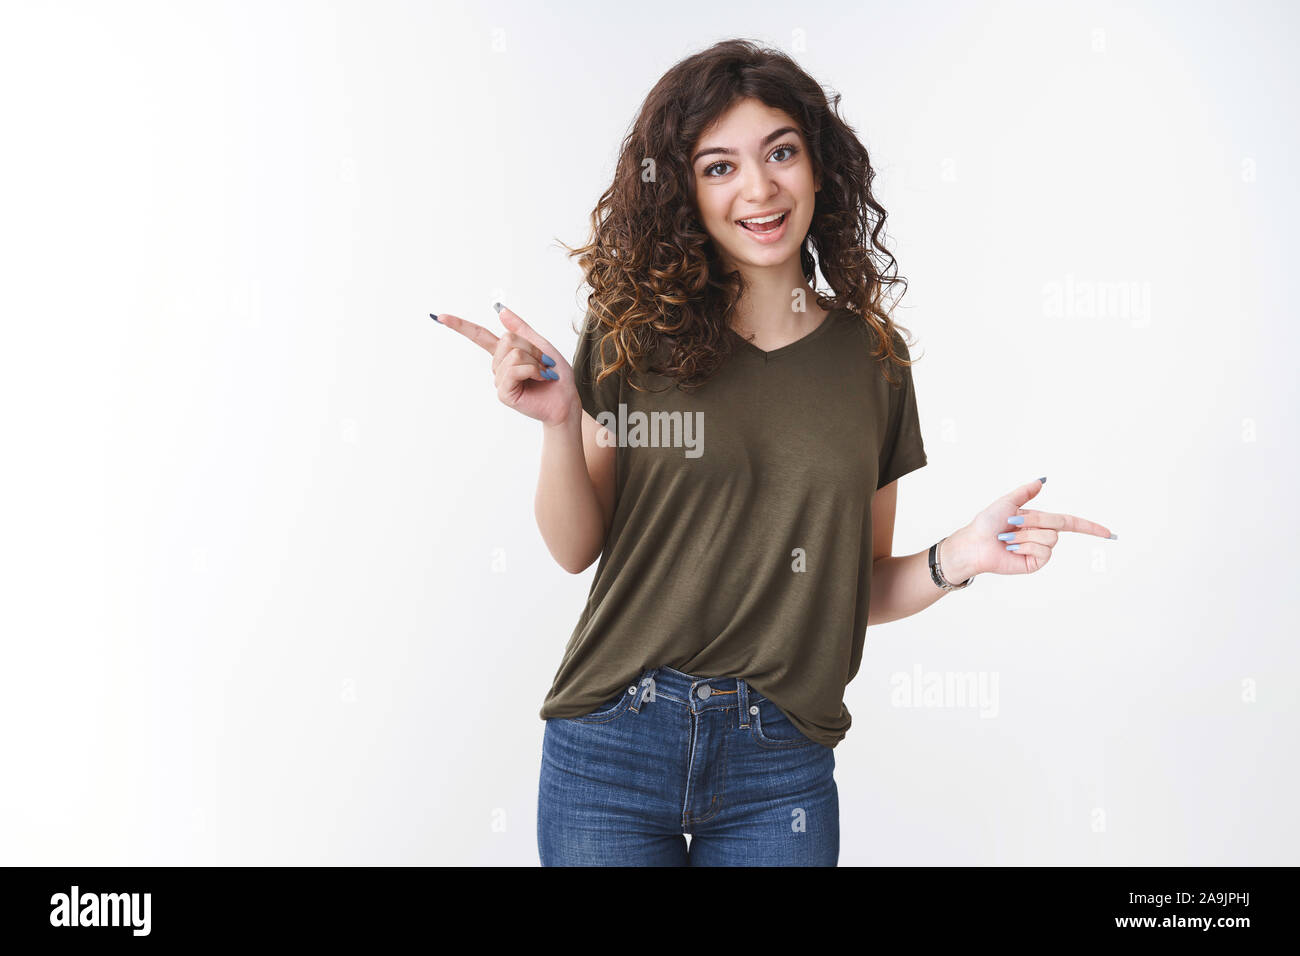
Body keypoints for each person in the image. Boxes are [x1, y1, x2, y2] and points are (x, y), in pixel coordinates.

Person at [432, 39, 1116, 866]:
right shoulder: (631, 337)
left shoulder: (873, 359)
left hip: (778, 765)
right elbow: (576, 549)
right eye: (719, 166)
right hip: (613, 744)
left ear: (817, 168)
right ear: (685, 190)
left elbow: (847, 585)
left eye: (780, 153)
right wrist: (558, 424)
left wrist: (956, 558)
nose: (758, 189)